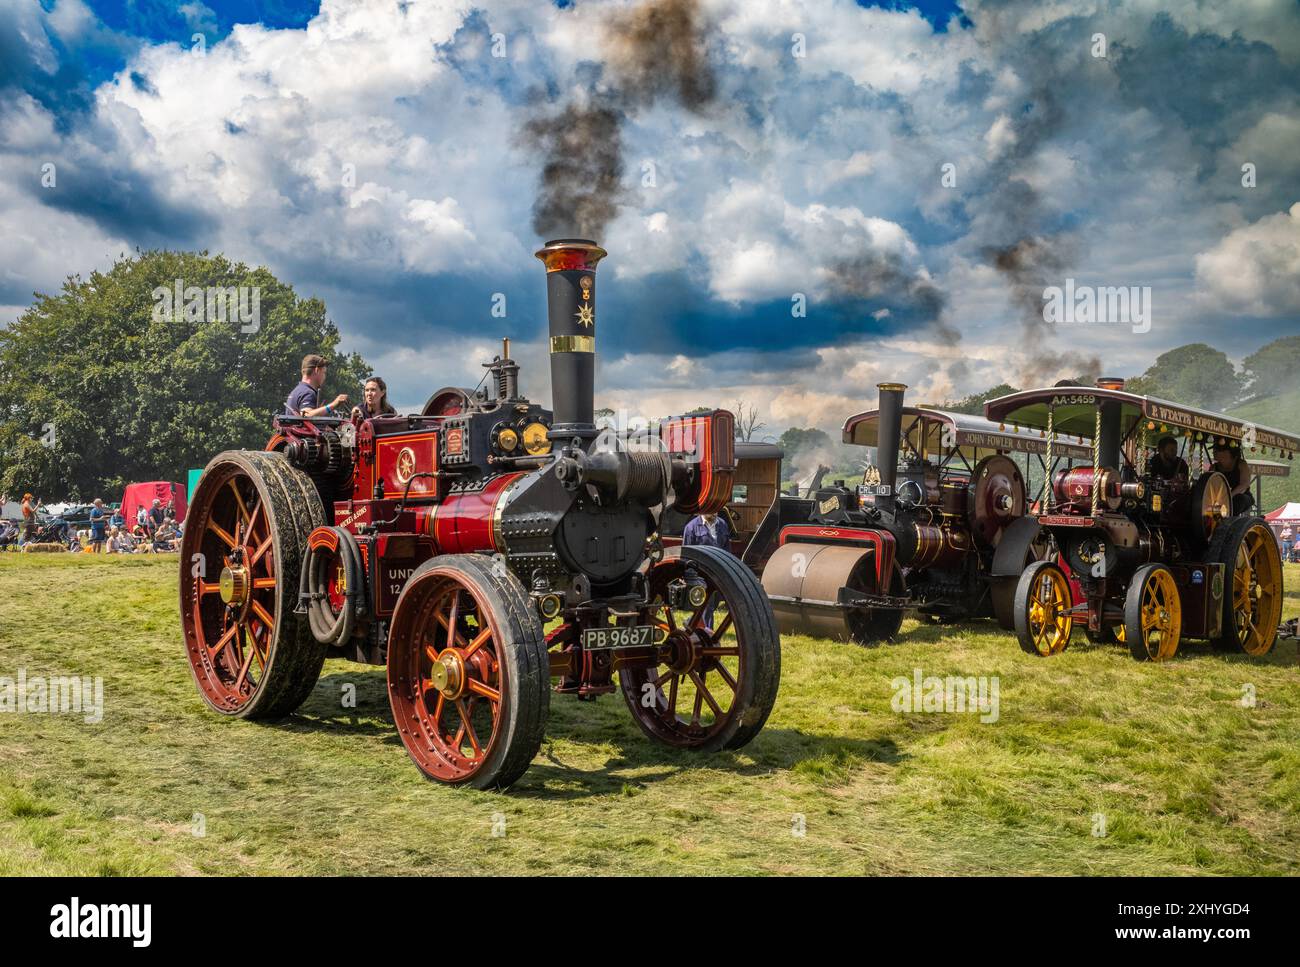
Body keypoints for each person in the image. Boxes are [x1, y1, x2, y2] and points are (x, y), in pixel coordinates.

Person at [682, 510, 733, 629]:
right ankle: (708, 632)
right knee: (708, 604)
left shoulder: (723, 524)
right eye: (710, 510)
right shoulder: (691, 528)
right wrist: (689, 577)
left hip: (719, 572)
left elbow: (727, 549)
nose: (714, 513)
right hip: (702, 574)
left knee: (715, 602)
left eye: (715, 510)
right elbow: (686, 555)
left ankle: (691, 622)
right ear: (703, 510)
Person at [286, 354, 348, 418]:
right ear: (317, 370)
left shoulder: (296, 391)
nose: (324, 377)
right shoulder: (308, 393)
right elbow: (306, 415)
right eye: (324, 373)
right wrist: (334, 404)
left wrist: (319, 411)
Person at [1213, 444, 1254, 516]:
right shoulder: (1214, 467)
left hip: (1241, 496)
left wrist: (1228, 497)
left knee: (1237, 501)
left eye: (1217, 450)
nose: (1213, 452)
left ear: (1227, 452)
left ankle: (1230, 521)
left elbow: (1244, 484)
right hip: (1220, 498)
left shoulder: (1241, 464)